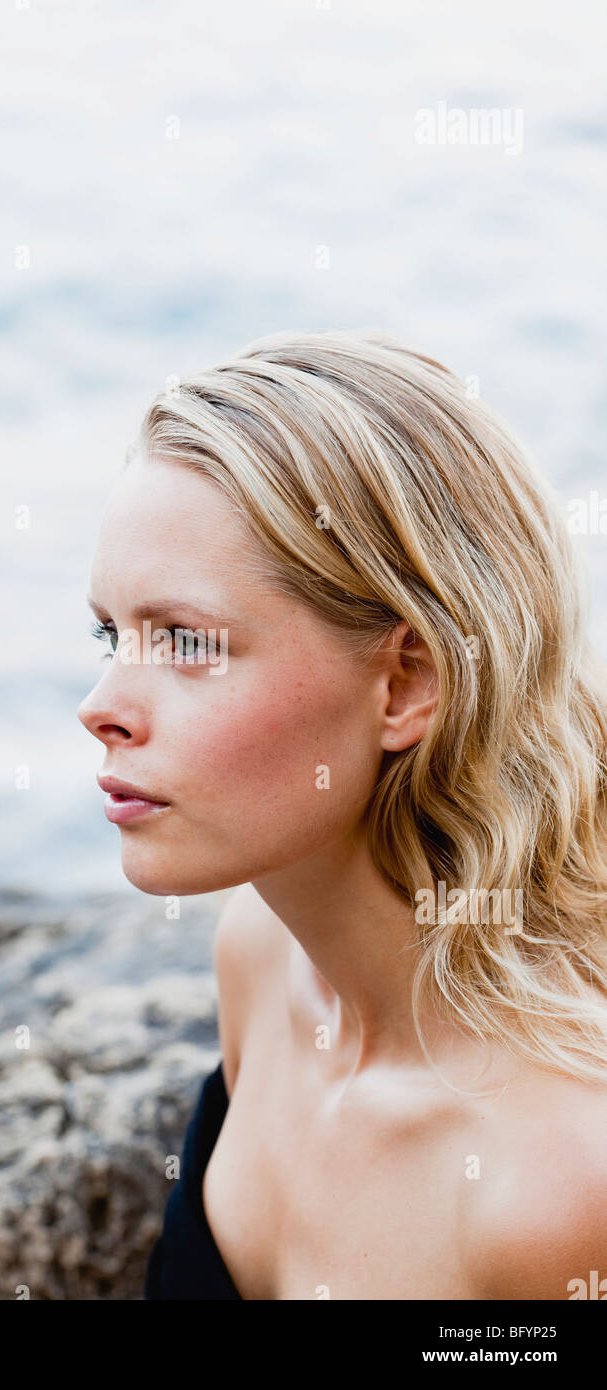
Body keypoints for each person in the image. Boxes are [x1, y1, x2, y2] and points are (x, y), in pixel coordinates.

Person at [77, 330, 607, 1300]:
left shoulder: (552, 1190)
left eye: (187, 641)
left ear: (405, 682)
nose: (101, 703)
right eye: (110, 633)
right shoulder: (259, 956)